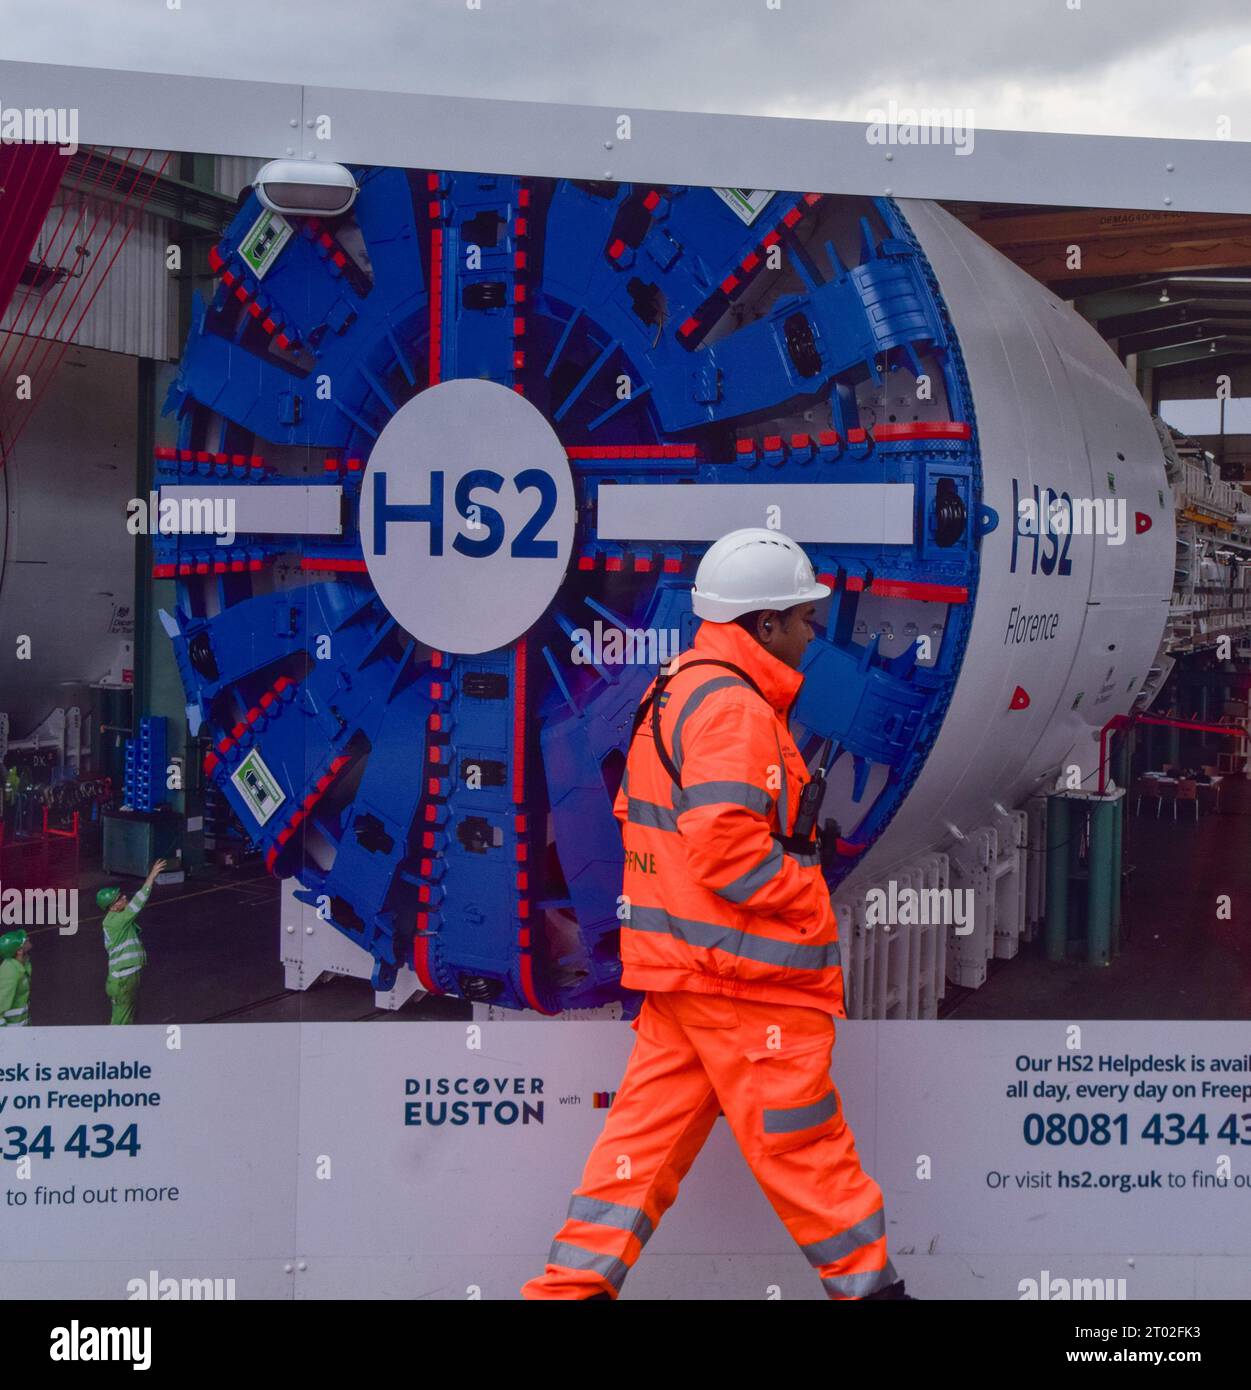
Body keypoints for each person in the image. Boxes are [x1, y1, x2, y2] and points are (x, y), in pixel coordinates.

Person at [522, 528, 908, 1301]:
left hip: (688, 977)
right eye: (800, 618)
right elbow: (726, 850)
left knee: (637, 1154)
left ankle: (568, 1293)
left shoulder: (683, 685)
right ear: (762, 624)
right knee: (807, 1151)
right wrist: (807, 902)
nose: (810, 632)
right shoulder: (734, 710)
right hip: (741, 979)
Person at [97, 858, 168, 1025]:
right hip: (123, 980)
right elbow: (138, 902)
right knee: (121, 1023)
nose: (124, 897)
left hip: (126, 978)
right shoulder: (116, 921)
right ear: (112, 907)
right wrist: (151, 877)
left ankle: (123, 1049)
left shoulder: (116, 919)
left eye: (121, 895)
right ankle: (115, 1050)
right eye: (119, 898)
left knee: (125, 1019)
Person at [0, 930, 32, 1027]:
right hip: (12, 1031)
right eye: (25, 940)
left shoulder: (24, 964)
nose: (28, 939)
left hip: (22, 1027)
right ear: (19, 951)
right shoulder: (10, 970)